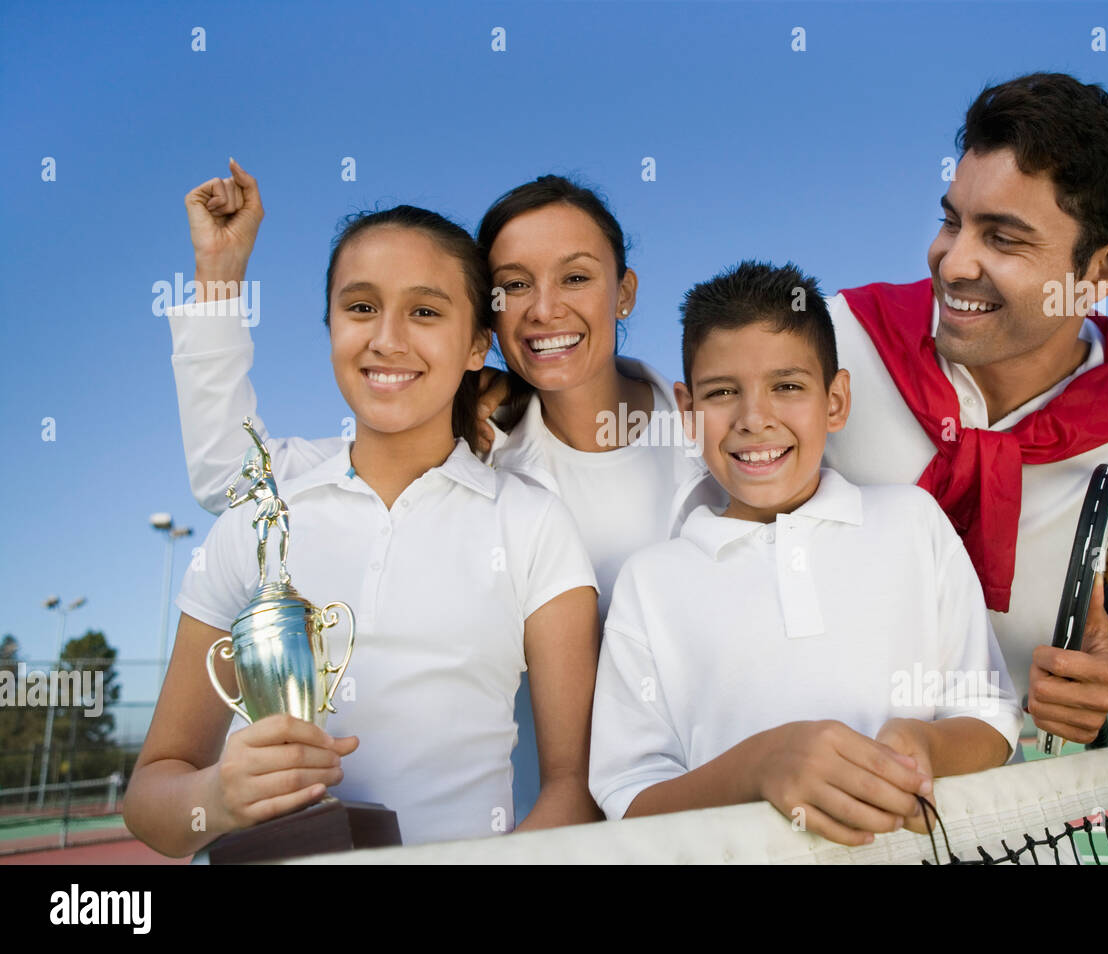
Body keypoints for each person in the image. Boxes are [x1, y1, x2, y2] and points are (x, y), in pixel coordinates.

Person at [164, 168, 704, 814]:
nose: (544, 307)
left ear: (624, 293)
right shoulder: (486, 446)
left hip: (717, 771)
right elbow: (235, 472)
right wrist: (220, 279)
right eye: (513, 286)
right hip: (575, 807)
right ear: (488, 325)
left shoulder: (719, 438)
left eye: (577, 276)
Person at [124, 196, 601, 856]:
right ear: (330, 328)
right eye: (361, 307)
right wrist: (216, 798)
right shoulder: (263, 512)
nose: (388, 338)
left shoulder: (532, 524)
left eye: (425, 312)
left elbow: (572, 791)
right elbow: (152, 801)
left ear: (474, 346)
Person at [823, 73, 1108, 747]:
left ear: (1107, 266)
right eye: (952, 221)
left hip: (997, 797)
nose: (952, 262)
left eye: (1003, 239)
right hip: (800, 767)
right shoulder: (837, 342)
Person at [588, 262, 1021, 846]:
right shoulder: (650, 583)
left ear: (836, 400)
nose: (754, 419)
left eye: (787, 387)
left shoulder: (913, 521)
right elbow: (631, 797)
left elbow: (990, 713)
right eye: (722, 393)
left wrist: (928, 746)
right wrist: (760, 765)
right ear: (688, 411)